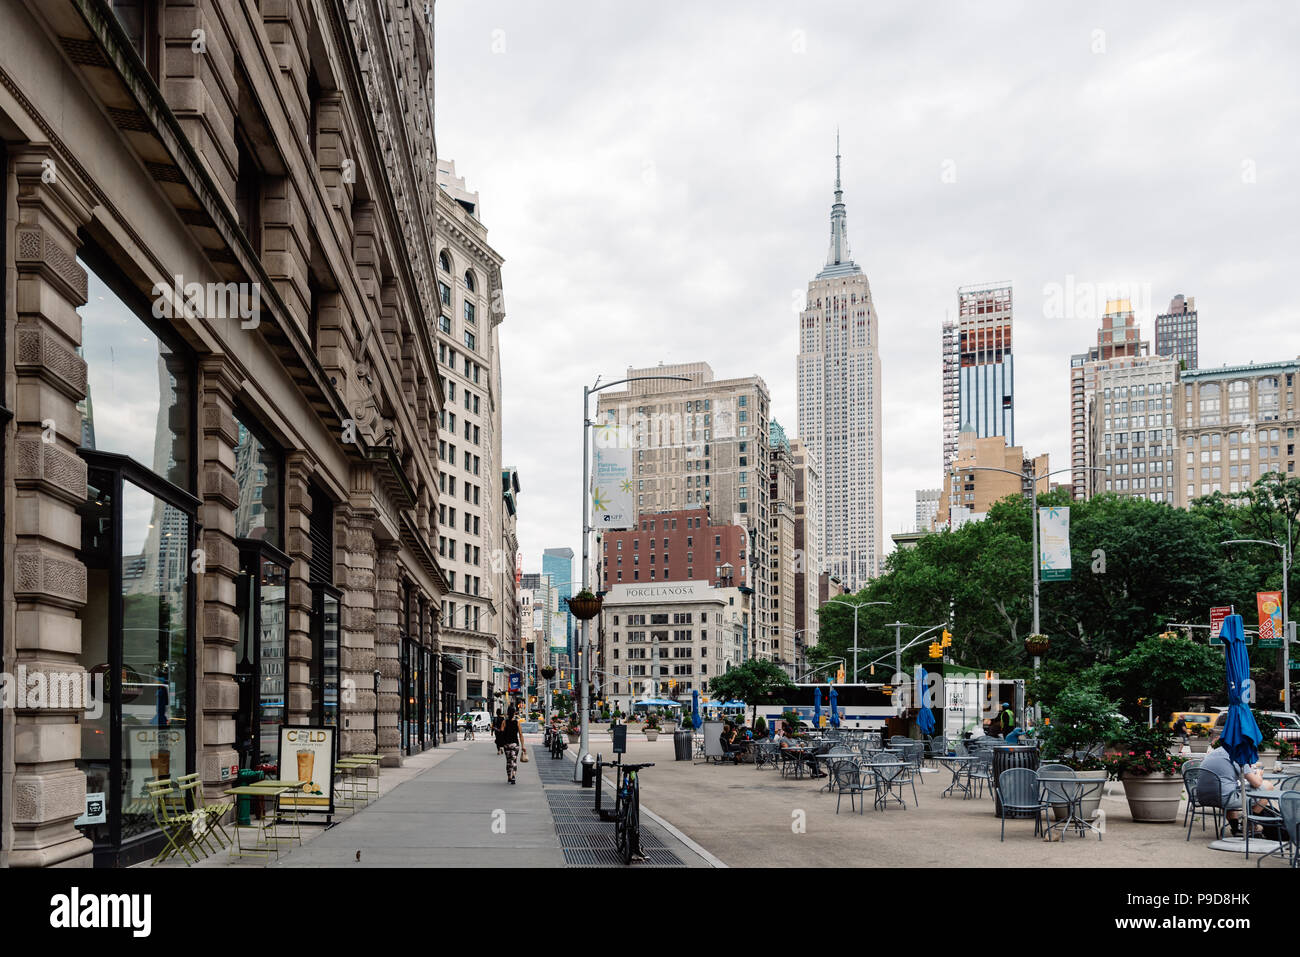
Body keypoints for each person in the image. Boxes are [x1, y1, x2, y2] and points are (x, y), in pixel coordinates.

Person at [1196, 743, 1276, 837]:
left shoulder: (1216, 752)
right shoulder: (1238, 753)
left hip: (1202, 797)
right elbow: (1256, 783)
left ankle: (1235, 828)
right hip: (1224, 798)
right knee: (1268, 786)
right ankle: (1249, 824)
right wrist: (1259, 773)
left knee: (1230, 789)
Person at [499, 705, 526, 784]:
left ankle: (509, 777)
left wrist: (500, 746)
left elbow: (501, 733)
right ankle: (513, 775)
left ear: (507, 713)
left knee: (508, 761)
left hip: (506, 744)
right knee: (514, 760)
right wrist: (523, 746)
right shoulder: (517, 722)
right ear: (514, 713)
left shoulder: (504, 722)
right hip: (515, 744)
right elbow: (521, 734)